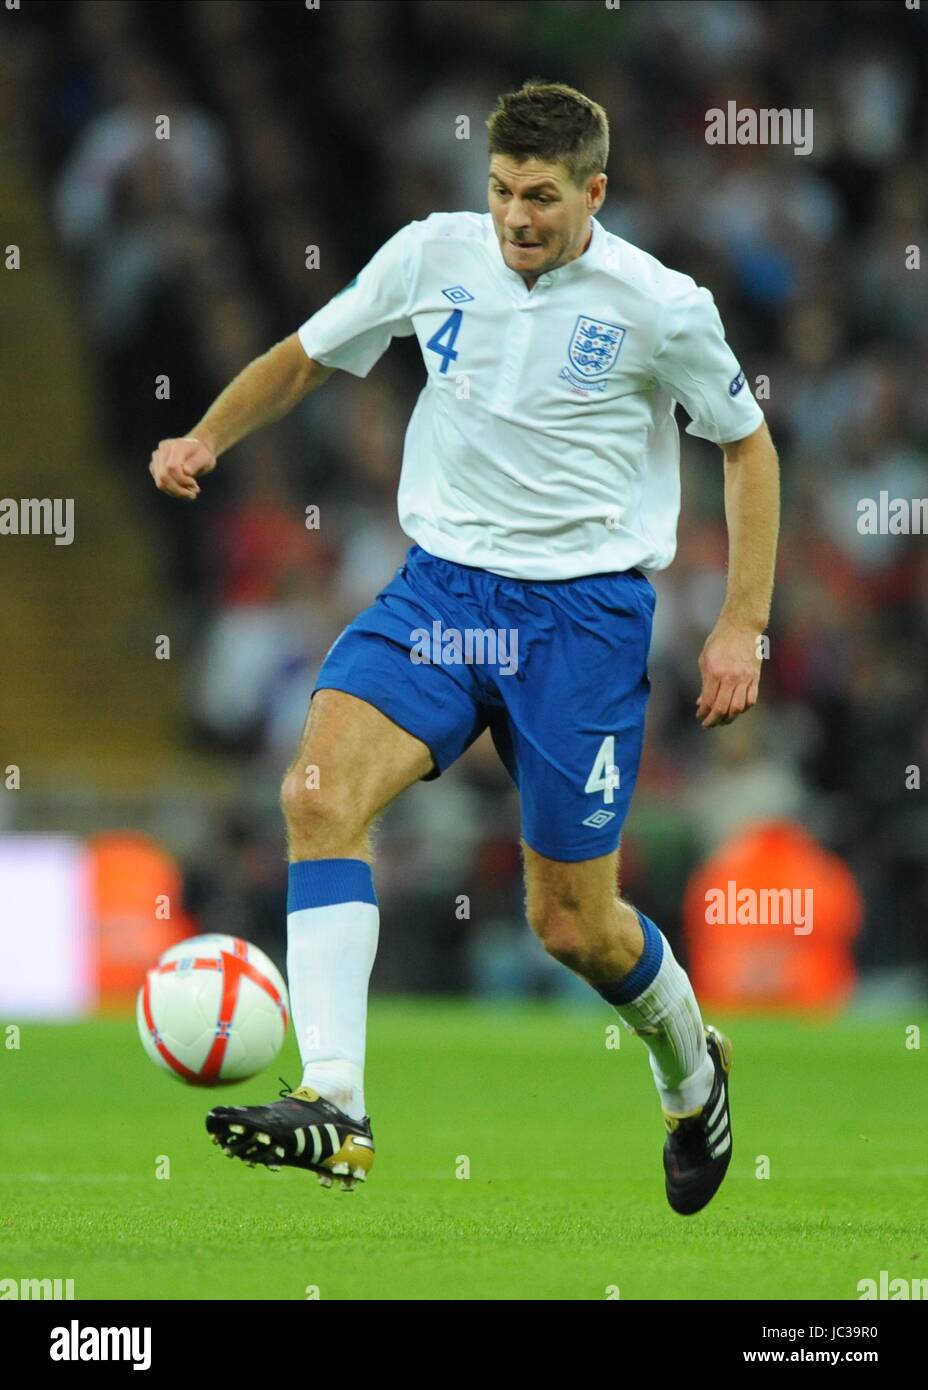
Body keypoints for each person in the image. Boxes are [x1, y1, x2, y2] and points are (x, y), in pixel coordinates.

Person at [149, 80, 779, 1214]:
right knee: (316, 793)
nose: (515, 217)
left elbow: (746, 446)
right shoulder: (430, 255)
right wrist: (205, 432)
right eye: (498, 191)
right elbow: (304, 353)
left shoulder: (659, 304)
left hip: (581, 620)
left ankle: (691, 1068)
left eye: (540, 195)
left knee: (569, 923)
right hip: (439, 593)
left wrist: (740, 620)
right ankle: (336, 1102)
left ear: (594, 190)